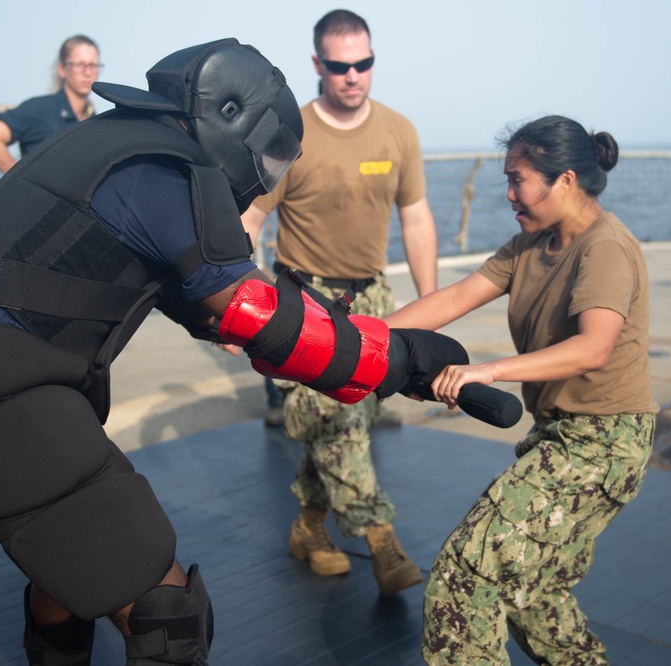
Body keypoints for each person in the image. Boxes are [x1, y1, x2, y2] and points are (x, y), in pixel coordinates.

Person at [0, 39, 465, 665]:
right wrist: (402, 360)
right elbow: (254, 314)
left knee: (67, 568)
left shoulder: (116, 143)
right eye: (270, 154)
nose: (265, 171)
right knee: (166, 614)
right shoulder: (169, 170)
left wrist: (356, 342)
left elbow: (212, 308)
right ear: (234, 121)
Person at [386, 115, 657, 664]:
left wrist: (489, 369)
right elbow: (450, 300)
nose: (509, 194)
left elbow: (593, 348)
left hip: (602, 444)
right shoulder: (530, 245)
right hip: (566, 434)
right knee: (537, 593)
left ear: (566, 181)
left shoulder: (604, 249)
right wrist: (360, 339)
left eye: (518, 180)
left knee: (467, 574)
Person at [241, 9, 439, 596]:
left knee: (353, 417)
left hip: (374, 298)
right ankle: (382, 541)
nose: (353, 76)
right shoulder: (287, 137)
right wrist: (236, 311)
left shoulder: (399, 132)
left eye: (364, 64)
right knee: (338, 425)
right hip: (306, 303)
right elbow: (250, 217)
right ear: (317, 66)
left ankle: (308, 527)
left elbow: (417, 218)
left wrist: (432, 308)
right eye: (339, 66)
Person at [0, 34, 100, 173]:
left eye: (93, 65)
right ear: (61, 69)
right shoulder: (40, 109)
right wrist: (22, 182)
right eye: (79, 65)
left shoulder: (95, 120)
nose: (88, 72)